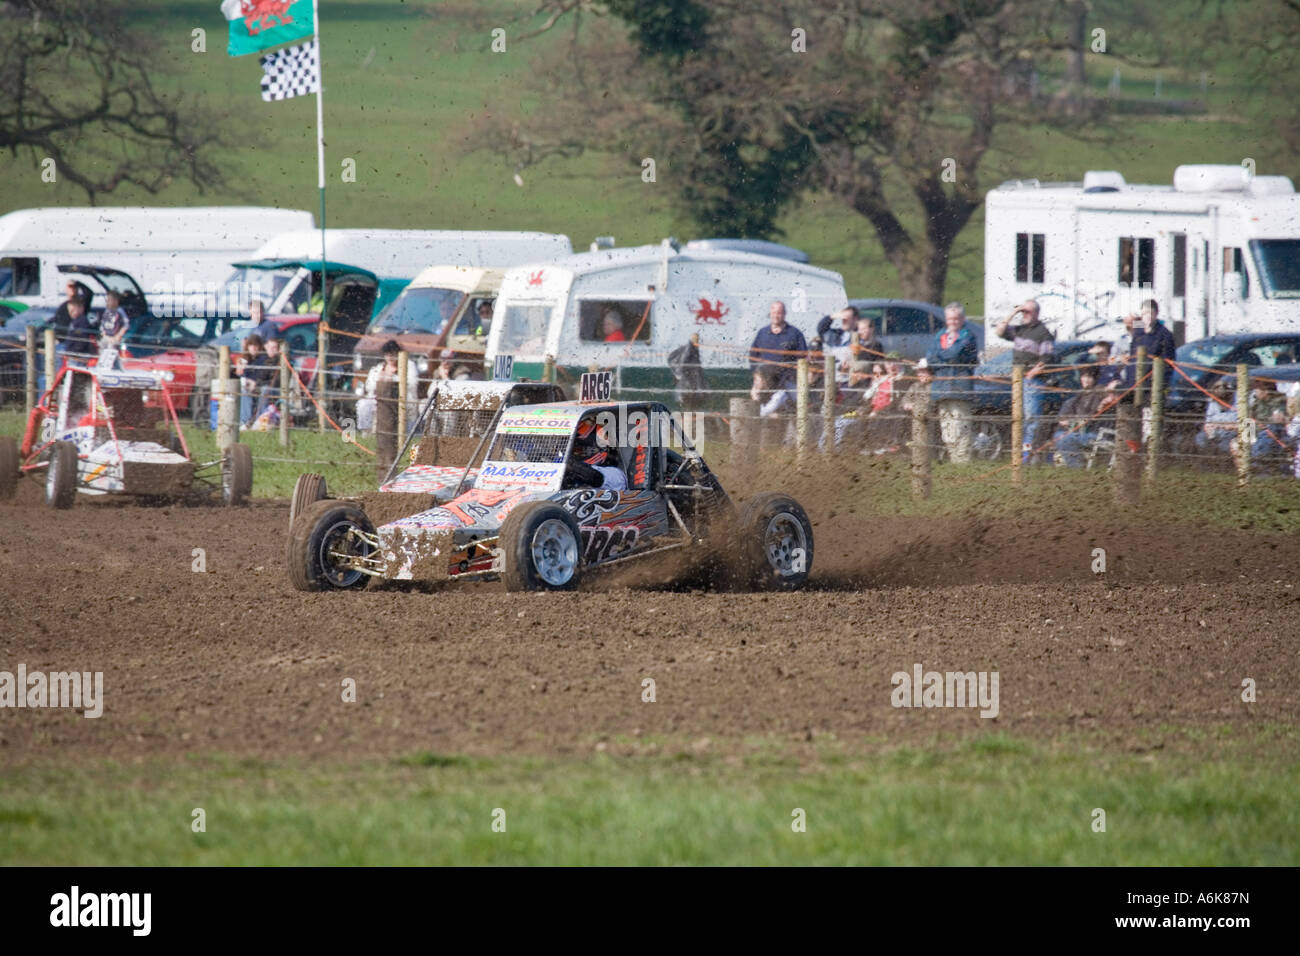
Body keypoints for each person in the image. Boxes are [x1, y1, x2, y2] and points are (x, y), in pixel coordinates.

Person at [994, 298, 1055, 463]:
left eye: (1027, 311)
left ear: (1036, 313)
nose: (1024, 314)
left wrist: (1032, 373)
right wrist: (1013, 312)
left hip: (1033, 382)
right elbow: (999, 332)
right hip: (1017, 381)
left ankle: (1029, 455)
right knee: (1019, 418)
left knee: (1031, 418)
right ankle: (1020, 454)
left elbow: (1047, 358)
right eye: (1023, 311)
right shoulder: (1019, 330)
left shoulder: (1043, 333)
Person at [925, 302, 980, 463]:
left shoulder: (968, 336)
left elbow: (955, 353)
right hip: (941, 389)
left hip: (960, 389)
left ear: (962, 319)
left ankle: (962, 463)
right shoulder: (940, 335)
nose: (953, 322)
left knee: (960, 428)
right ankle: (953, 460)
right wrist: (943, 358)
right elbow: (930, 358)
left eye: (956, 318)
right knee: (947, 430)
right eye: (950, 319)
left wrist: (940, 357)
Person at [357, 339, 419, 433]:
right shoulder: (378, 368)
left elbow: (413, 384)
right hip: (379, 399)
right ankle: (366, 432)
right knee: (363, 404)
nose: (390, 357)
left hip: (401, 400)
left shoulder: (409, 366)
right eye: (387, 354)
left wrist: (393, 378)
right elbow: (369, 386)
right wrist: (382, 378)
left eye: (393, 354)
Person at [1051, 366, 1108, 467]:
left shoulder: (1099, 393)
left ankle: (1077, 467)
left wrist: (1103, 401)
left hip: (1095, 433)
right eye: (1083, 376)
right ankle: (1076, 465)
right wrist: (1069, 421)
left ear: (1095, 379)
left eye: (1089, 377)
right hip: (1079, 432)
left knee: (1065, 438)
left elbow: (1107, 396)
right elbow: (1063, 419)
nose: (1085, 380)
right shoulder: (1078, 397)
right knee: (1059, 435)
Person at [1120, 299, 1176, 394]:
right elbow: (1132, 352)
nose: (1148, 316)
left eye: (1151, 313)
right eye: (1145, 313)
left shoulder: (1165, 334)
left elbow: (1168, 364)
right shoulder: (1138, 329)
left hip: (1151, 387)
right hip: (1131, 383)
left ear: (1156, 313)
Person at [567, 419, 626, 490]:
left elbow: (594, 476)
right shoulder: (564, 474)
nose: (576, 452)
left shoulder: (616, 475)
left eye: (579, 449)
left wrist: (570, 465)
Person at [748, 301, 808, 370]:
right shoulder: (762, 333)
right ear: (770, 314)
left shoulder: (795, 334)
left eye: (779, 313)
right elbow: (753, 355)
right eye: (773, 313)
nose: (776, 316)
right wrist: (756, 374)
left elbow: (803, 357)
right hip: (766, 377)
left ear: (784, 314)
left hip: (788, 378)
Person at [1193, 380, 1237, 459]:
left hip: (1232, 434)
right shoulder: (1213, 403)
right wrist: (1210, 434)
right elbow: (1208, 421)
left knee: (1227, 445)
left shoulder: (1238, 402)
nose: (1220, 403)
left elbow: (1244, 424)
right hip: (1216, 433)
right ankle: (1207, 460)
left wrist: (1228, 426)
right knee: (1200, 438)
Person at [235, 333, 270, 426]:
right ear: (247, 347)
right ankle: (245, 422)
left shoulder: (264, 359)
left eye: (256, 345)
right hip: (247, 386)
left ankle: (260, 421)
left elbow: (263, 375)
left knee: (264, 391)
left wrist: (254, 382)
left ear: (260, 347)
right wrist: (239, 370)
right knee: (243, 391)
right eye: (251, 345)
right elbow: (239, 374)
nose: (253, 348)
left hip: (260, 385)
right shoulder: (245, 358)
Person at [97, 291, 130, 369]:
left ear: (116, 301)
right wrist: (104, 335)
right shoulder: (106, 311)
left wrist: (118, 336)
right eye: (107, 300)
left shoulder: (119, 311)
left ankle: (115, 368)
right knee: (102, 351)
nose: (108, 302)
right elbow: (102, 325)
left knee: (111, 353)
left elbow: (126, 324)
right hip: (106, 337)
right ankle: (102, 368)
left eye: (110, 300)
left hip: (114, 338)